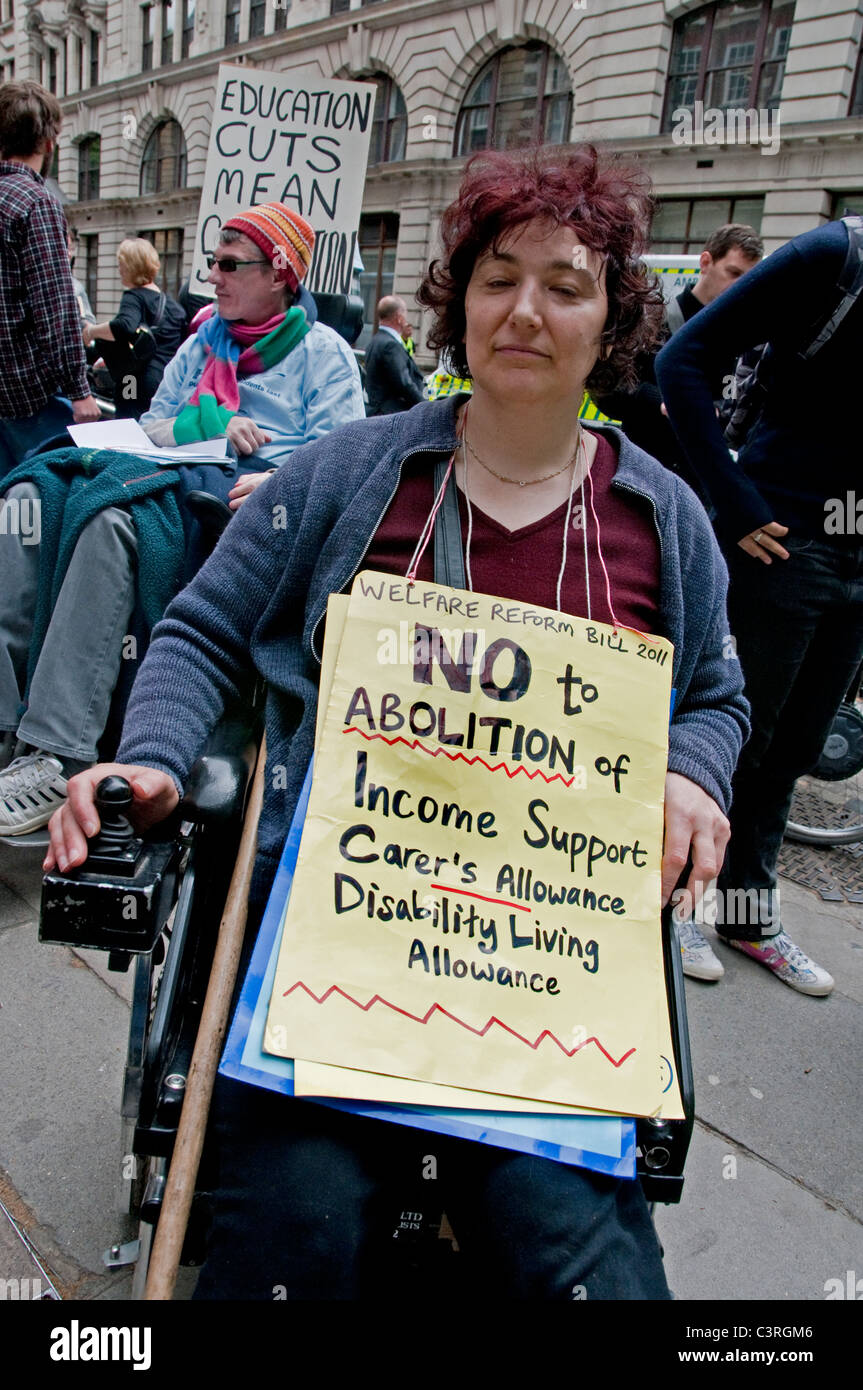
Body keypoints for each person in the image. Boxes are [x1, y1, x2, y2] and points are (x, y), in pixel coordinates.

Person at [46, 145, 748, 1300]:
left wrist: (692, 775)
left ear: (609, 319)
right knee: (292, 1230)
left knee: (577, 1260)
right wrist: (155, 761)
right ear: (456, 304)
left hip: (546, 982)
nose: (524, 309)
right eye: (495, 277)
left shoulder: (660, 519)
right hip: (343, 952)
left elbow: (715, 695)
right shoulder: (349, 474)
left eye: (564, 285)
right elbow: (201, 628)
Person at [0, 200, 364, 833]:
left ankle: (58, 751)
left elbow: (346, 456)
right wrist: (212, 422)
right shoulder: (202, 342)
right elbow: (152, 427)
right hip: (174, 478)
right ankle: (8, 729)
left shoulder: (322, 352)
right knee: (26, 498)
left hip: (246, 514)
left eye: (229, 264)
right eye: (213, 263)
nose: (213, 277)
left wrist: (283, 480)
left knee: (110, 519)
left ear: (279, 273)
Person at [655, 217, 863, 996]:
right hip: (781, 542)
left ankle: (744, 915)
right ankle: (675, 910)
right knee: (736, 739)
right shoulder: (834, 256)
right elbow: (683, 360)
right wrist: (733, 500)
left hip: (855, 558)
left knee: (793, 750)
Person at [592, 224, 762, 483]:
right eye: (733, 273)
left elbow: (736, 407)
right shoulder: (654, 320)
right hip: (642, 478)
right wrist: (663, 402)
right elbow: (608, 391)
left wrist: (718, 411)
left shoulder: (743, 338)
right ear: (706, 262)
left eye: (749, 278)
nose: (742, 286)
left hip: (702, 487)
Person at [0, 81, 99, 477]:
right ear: (50, 142)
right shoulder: (35, 203)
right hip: (32, 402)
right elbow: (55, 309)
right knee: (42, 517)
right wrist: (80, 390)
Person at [82, 238, 185, 418]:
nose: (119, 270)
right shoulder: (172, 305)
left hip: (134, 381)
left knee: (128, 429)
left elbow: (124, 325)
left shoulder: (134, 297)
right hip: (167, 383)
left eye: (121, 264)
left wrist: (91, 331)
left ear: (130, 267)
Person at [364, 295, 426, 415]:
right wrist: (424, 405)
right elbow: (404, 383)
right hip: (391, 414)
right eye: (405, 314)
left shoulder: (375, 340)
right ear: (399, 318)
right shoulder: (390, 345)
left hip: (378, 412)